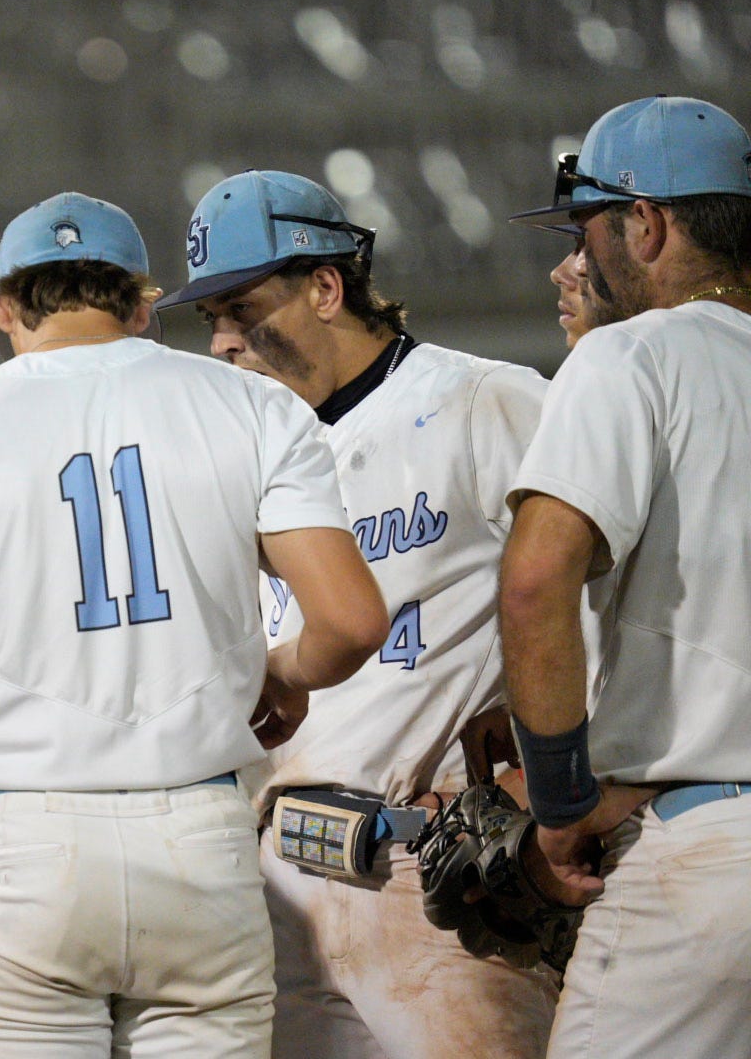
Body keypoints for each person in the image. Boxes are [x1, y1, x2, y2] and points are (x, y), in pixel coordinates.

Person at [0, 192, 387, 1058]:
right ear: (141, 304)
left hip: (23, 847)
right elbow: (350, 623)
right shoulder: (250, 405)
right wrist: (281, 672)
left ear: (3, 306)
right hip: (200, 837)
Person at [152, 168, 559, 1059]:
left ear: (327, 288)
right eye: (207, 319)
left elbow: (599, 591)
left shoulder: (484, 400)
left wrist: (558, 747)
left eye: (241, 309)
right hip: (279, 890)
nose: (221, 343)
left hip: (442, 877)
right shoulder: (241, 458)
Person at [501, 94, 751, 1058]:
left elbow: (535, 581)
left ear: (644, 223)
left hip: (704, 852)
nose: (578, 253)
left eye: (586, 226)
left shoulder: (632, 355)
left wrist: (561, 801)